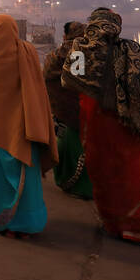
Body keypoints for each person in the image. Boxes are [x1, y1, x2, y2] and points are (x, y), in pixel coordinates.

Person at [62, 8, 140, 245]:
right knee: (131, 170)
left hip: (97, 119)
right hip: (126, 123)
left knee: (104, 170)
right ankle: (138, 225)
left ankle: (114, 223)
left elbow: (70, 79)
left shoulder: (83, 49)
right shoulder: (132, 49)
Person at [0, 14, 59, 238]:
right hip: (19, 126)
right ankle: (26, 224)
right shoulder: (25, 52)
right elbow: (36, 88)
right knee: (24, 175)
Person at [43, 21, 93, 199]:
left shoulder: (58, 53)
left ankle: (66, 180)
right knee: (76, 148)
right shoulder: (79, 52)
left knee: (66, 145)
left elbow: (48, 74)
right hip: (75, 108)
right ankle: (80, 186)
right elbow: (78, 82)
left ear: (65, 36)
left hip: (59, 108)